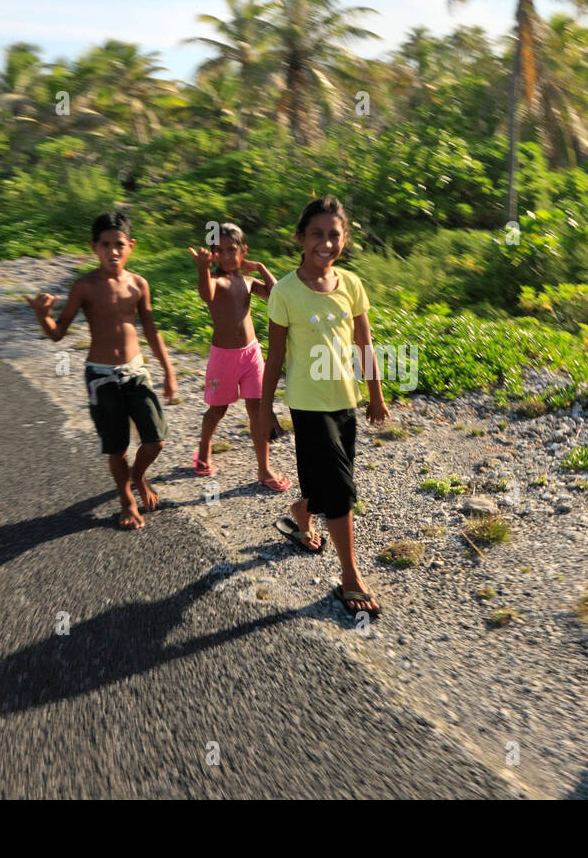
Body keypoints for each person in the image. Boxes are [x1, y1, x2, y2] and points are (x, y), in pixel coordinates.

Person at [260, 196, 389, 617]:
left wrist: (375, 394)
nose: (326, 243)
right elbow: (275, 357)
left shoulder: (351, 284)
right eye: (317, 234)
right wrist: (264, 412)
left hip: (344, 400)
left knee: (332, 477)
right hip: (307, 404)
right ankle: (350, 580)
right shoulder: (284, 292)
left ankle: (301, 510)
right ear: (301, 237)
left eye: (334, 234)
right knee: (339, 490)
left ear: (344, 239)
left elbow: (364, 344)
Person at [24, 211, 178, 530]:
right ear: (94, 247)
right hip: (101, 376)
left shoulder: (139, 284)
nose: (113, 251)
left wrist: (169, 370)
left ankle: (138, 475)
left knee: (155, 441)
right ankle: (126, 500)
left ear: (131, 246)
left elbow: (150, 329)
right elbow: (58, 333)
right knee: (117, 446)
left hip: (136, 372)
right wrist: (43, 316)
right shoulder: (85, 287)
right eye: (105, 245)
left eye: (119, 244)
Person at [188, 223, 291, 492]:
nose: (225, 256)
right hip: (223, 358)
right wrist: (202, 268)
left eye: (231, 250)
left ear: (243, 251)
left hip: (251, 355)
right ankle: (203, 447)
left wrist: (260, 268)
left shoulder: (247, 282)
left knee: (257, 410)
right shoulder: (216, 281)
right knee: (218, 410)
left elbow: (277, 294)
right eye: (218, 251)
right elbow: (205, 294)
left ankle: (264, 469)